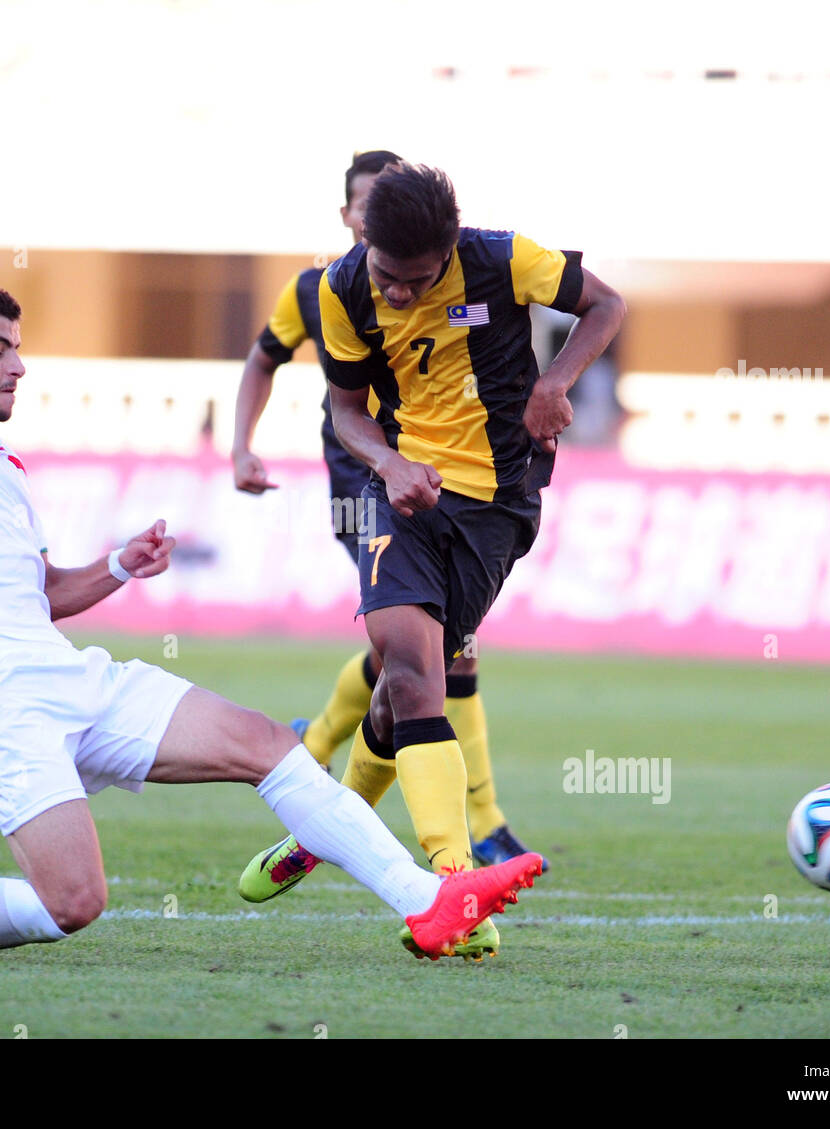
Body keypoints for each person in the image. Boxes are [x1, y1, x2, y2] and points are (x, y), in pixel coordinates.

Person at [0, 117, 545, 963]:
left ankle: (431, 901)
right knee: (74, 901)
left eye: (20, 348)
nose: (19, 365)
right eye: (0, 349)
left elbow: (44, 594)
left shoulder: (2, 465)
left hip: (63, 666)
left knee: (268, 743)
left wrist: (115, 566)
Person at [238, 161, 625, 953]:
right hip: (399, 492)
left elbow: (606, 305)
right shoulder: (341, 288)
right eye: (389, 275)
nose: (400, 294)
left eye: (417, 280)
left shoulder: (503, 258)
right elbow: (347, 412)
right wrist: (388, 464)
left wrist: (558, 382)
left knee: (395, 690)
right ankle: (453, 885)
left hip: (497, 505)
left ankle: (325, 828)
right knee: (414, 668)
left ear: (449, 247)